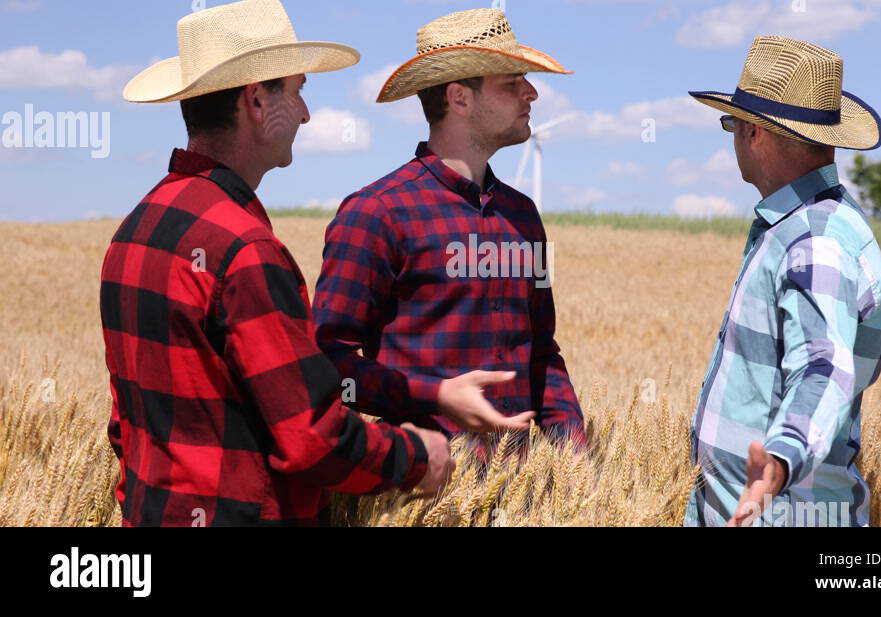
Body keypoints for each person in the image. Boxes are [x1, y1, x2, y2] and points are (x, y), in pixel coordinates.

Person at [100, 0, 453, 527]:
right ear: (257, 101)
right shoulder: (243, 249)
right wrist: (418, 456)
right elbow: (311, 438)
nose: (307, 114)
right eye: (298, 91)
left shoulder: (133, 230)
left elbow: (125, 425)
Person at [311, 8, 587, 452]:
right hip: (420, 495)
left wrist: (576, 458)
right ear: (460, 97)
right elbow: (326, 363)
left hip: (522, 499)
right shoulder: (377, 213)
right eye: (513, 82)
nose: (532, 93)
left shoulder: (523, 215)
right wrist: (431, 397)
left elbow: (541, 352)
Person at [684, 36, 881, 527]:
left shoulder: (815, 240)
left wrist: (779, 460)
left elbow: (826, 369)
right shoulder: (803, 224)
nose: (732, 137)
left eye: (731, 125)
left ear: (754, 134)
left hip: (783, 516)